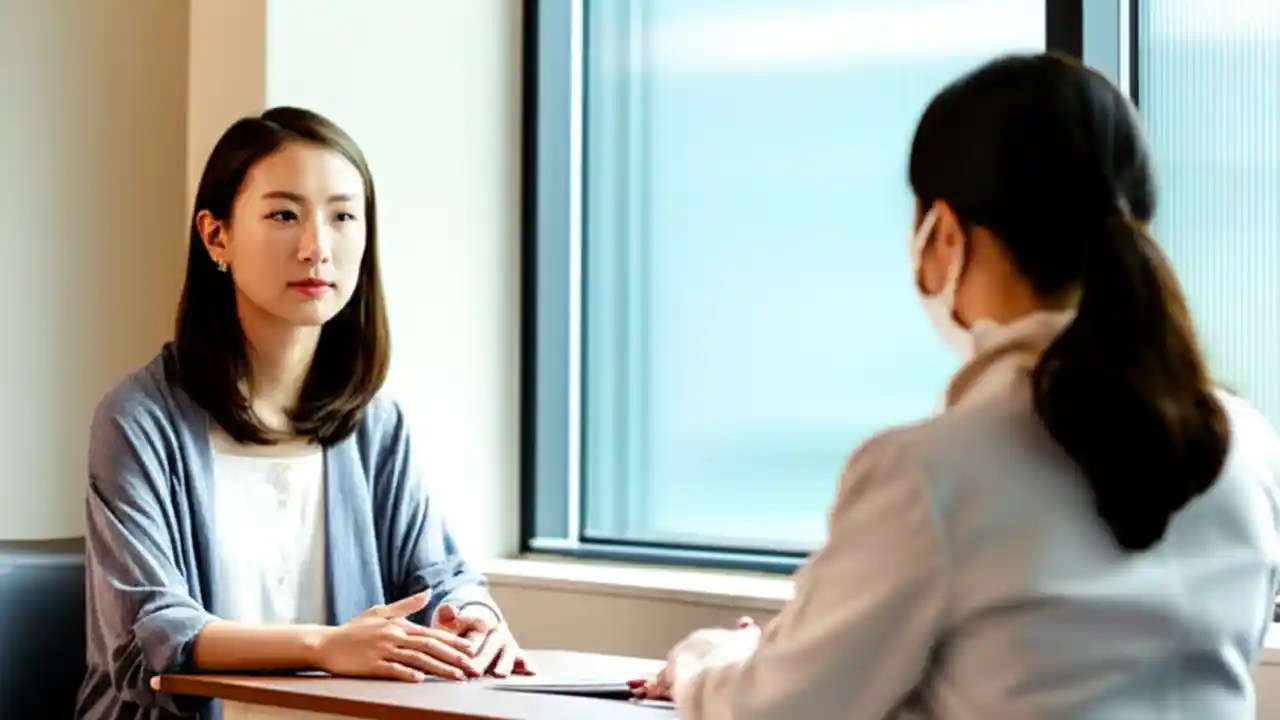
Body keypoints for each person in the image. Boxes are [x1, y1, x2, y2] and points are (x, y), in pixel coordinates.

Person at [633, 53, 1280, 719]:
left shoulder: (931, 474)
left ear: (944, 233)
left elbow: (772, 711)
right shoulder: (1249, 449)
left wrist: (708, 664)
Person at [77, 107, 530, 720]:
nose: (318, 247)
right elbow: (153, 630)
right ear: (217, 237)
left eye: (343, 216)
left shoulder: (375, 423)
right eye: (285, 215)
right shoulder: (138, 420)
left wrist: (476, 618)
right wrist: (328, 644)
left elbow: (439, 576)